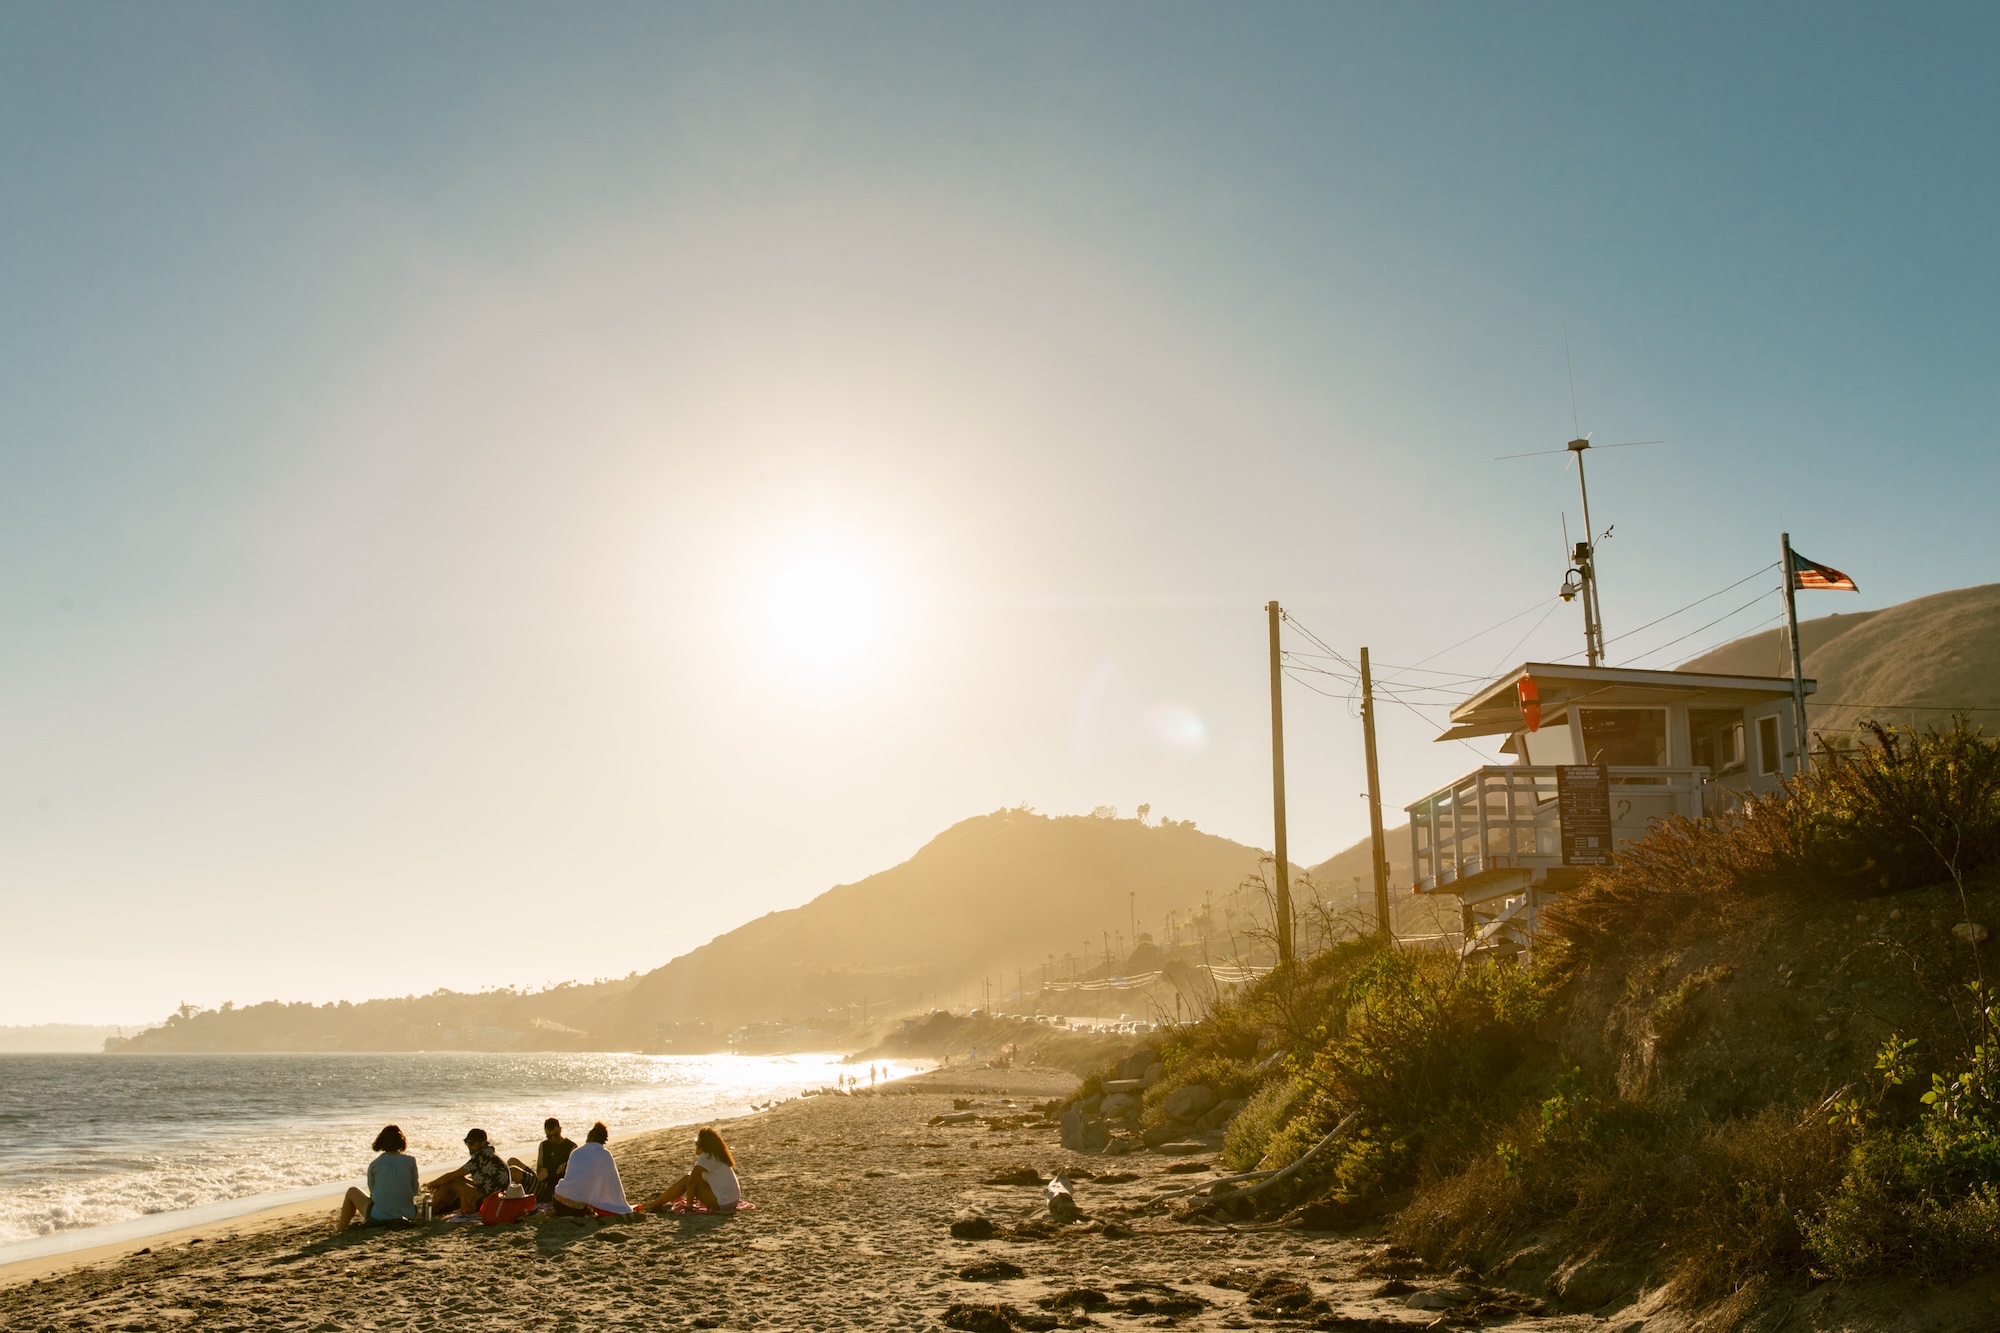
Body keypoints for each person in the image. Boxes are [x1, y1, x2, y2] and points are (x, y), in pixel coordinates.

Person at [337, 1124, 420, 1232]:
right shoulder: (410, 1161)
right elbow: (415, 1191)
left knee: (352, 1191)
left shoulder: (375, 1164)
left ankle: (341, 1229)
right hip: (408, 1214)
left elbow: (374, 1195)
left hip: (380, 1217)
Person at [641, 1127, 741, 1213]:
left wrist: (689, 1205)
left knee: (687, 1178)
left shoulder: (707, 1156)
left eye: (697, 1143)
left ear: (703, 1144)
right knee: (691, 1177)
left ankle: (655, 1204)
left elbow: (691, 1181)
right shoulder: (718, 1155)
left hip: (723, 1203)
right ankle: (657, 1202)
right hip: (732, 1200)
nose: (696, 1145)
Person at [426, 1127, 512, 1217]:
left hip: (489, 1202)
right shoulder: (490, 1154)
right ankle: (435, 1211)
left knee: (451, 1182)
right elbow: (483, 1184)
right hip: (499, 1200)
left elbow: (450, 1176)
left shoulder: (480, 1156)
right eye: (467, 1144)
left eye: (472, 1144)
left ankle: (430, 1212)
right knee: (457, 1179)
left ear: (482, 1143)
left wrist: (431, 1184)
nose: (469, 1147)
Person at [551, 1121, 631, 1216]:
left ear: (588, 1137)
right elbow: (612, 1184)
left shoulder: (576, 1152)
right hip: (575, 1208)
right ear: (603, 1140)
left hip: (558, 1201)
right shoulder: (604, 1155)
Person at [508, 1118, 575, 1205]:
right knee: (512, 1161)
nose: (553, 1138)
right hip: (541, 1182)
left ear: (560, 1129)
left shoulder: (571, 1147)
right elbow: (539, 1169)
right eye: (549, 1136)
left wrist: (552, 1173)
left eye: (555, 1135)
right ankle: (505, 1192)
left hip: (553, 1190)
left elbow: (573, 1176)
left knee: (513, 1171)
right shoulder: (544, 1145)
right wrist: (542, 1172)